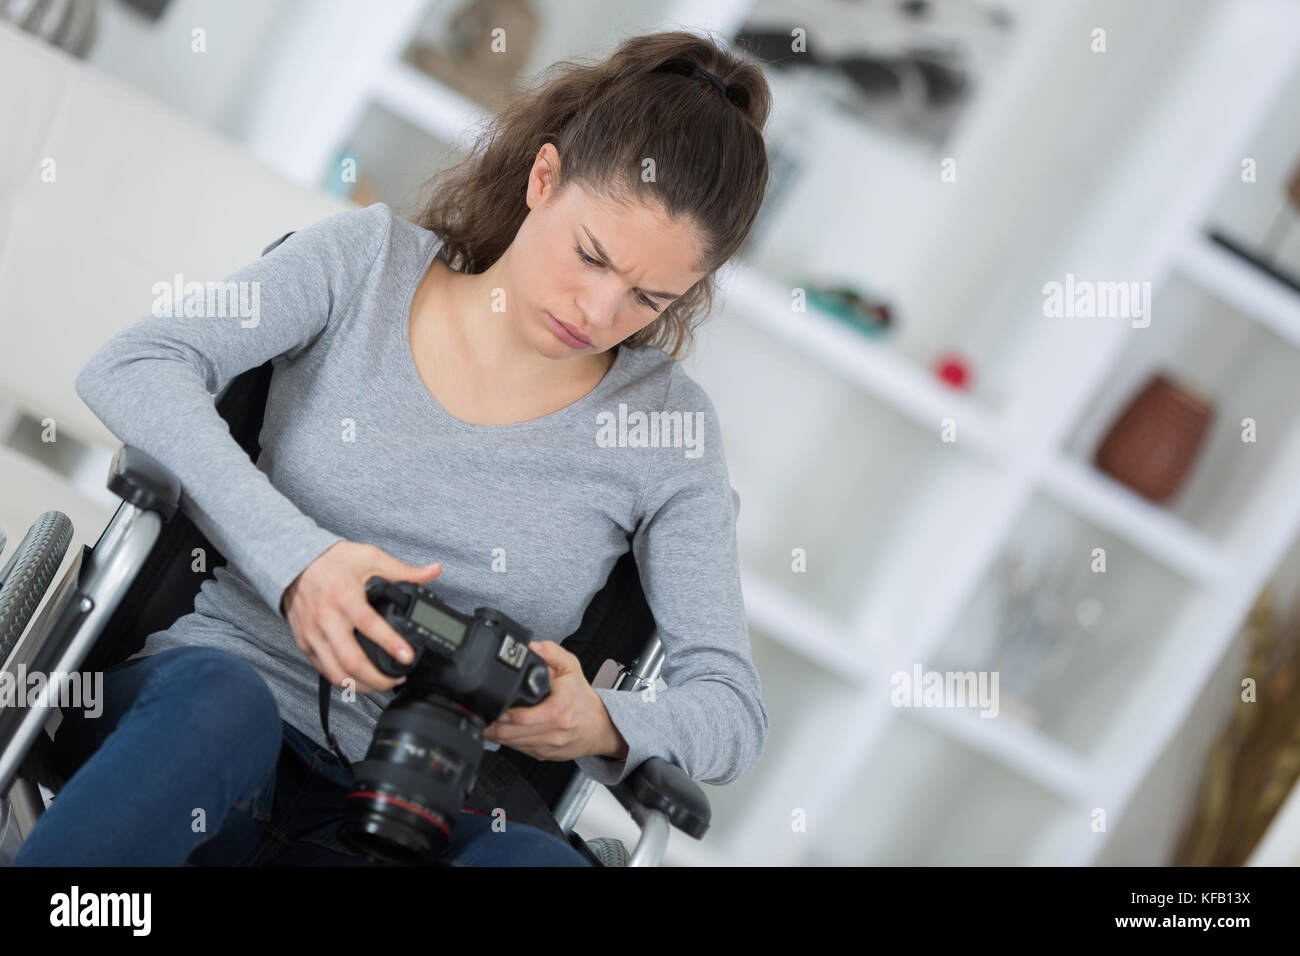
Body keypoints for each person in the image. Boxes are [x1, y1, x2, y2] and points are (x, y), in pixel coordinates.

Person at [12, 29, 772, 867]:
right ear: (543, 178)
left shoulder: (668, 430)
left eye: (647, 297)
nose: (597, 312)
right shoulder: (364, 265)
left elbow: (732, 711)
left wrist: (604, 720)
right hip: (203, 727)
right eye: (590, 256)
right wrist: (298, 563)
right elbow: (133, 364)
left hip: (422, 814)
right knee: (221, 703)